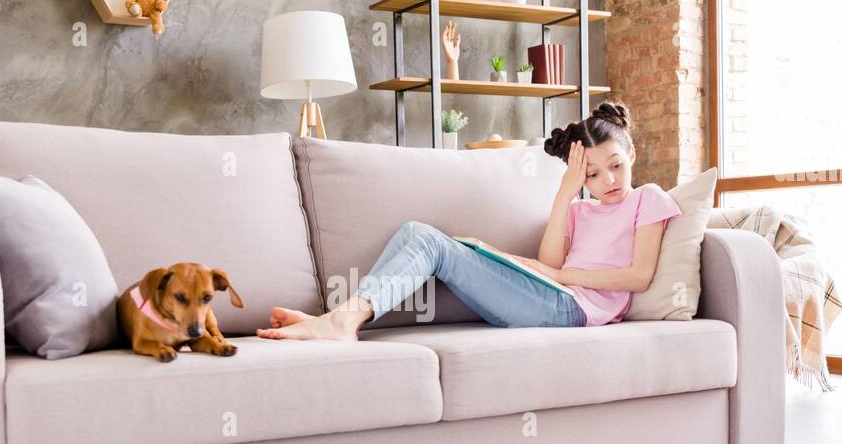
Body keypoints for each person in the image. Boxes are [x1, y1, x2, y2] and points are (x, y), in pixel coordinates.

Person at [256, 101, 681, 341]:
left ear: (633, 157)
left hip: (572, 310)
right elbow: (548, 258)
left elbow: (639, 276)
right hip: (549, 292)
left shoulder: (647, 198)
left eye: (616, 166)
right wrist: (566, 193)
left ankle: (341, 320)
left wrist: (562, 274)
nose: (607, 181)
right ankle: (345, 316)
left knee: (434, 247)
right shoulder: (579, 207)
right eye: (592, 174)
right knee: (416, 232)